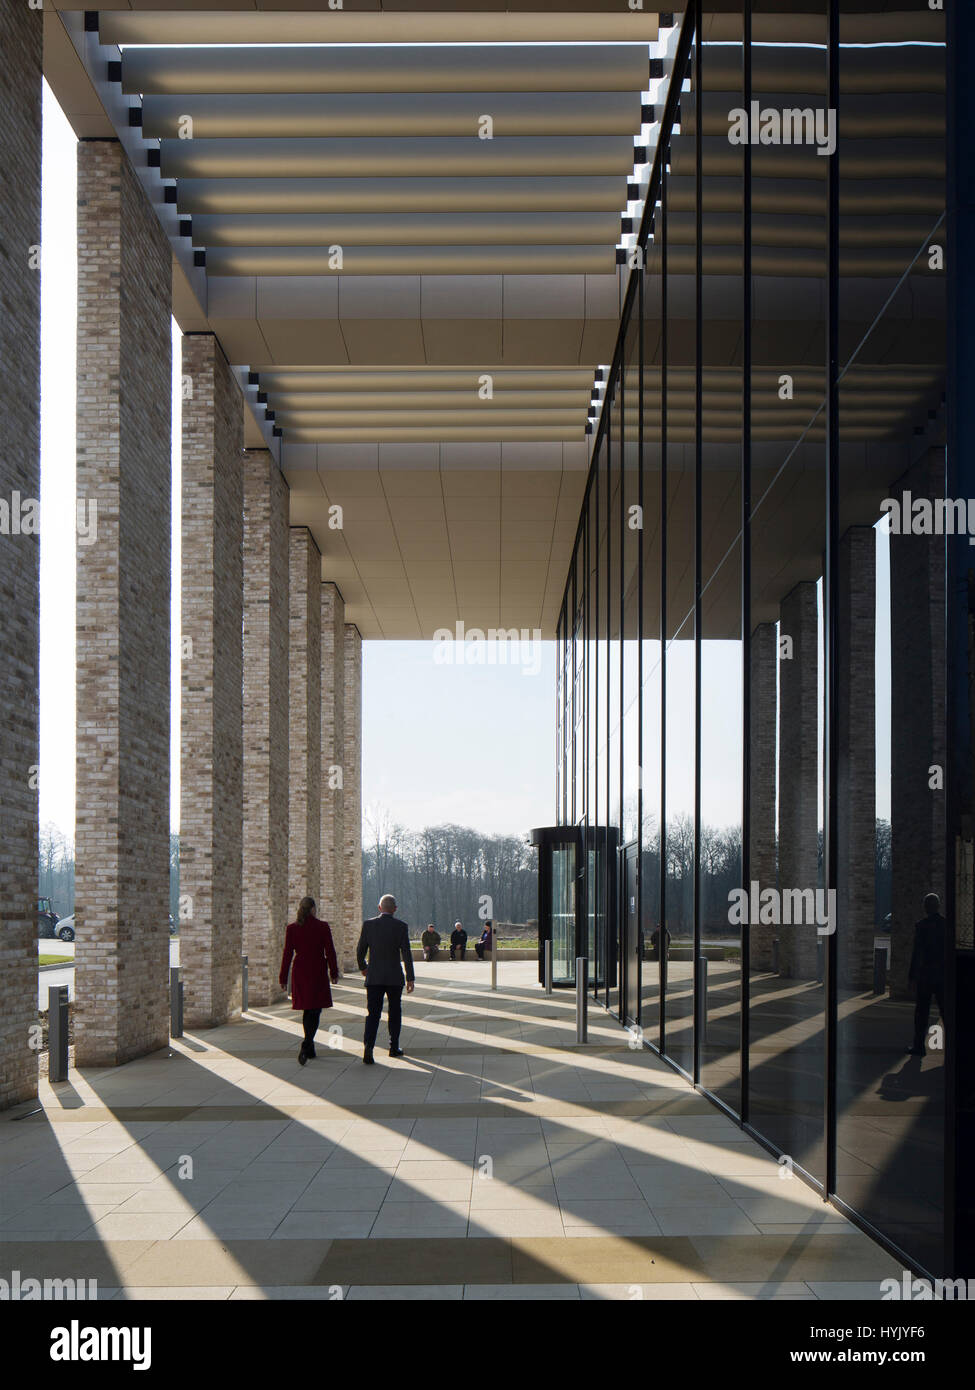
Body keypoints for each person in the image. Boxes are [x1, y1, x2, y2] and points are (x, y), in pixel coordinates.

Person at [279, 896, 339, 1066]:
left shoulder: (292, 928)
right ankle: (306, 1045)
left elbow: (287, 954)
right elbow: (330, 952)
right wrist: (333, 972)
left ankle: (310, 1046)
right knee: (315, 1009)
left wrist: (283, 977)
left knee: (307, 1009)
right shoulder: (322, 927)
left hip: (300, 971)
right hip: (317, 970)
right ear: (313, 908)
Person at [357, 893, 415, 1064]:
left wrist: (364, 968)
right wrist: (410, 977)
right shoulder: (401, 926)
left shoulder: (368, 925)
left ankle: (368, 1047)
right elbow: (406, 953)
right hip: (394, 977)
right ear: (395, 909)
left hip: (374, 976)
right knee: (395, 1012)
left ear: (379, 908)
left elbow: (360, 951)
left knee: (373, 1014)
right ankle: (394, 1047)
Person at [908, 892, 946, 1057]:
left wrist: (912, 977)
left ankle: (919, 1046)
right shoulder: (946, 925)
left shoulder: (921, 926)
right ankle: (951, 1047)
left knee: (922, 1012)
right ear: (938, 906)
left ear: (925, 907)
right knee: (946, 1012)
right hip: (942, 975)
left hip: (926, 975)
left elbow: (917, 954)